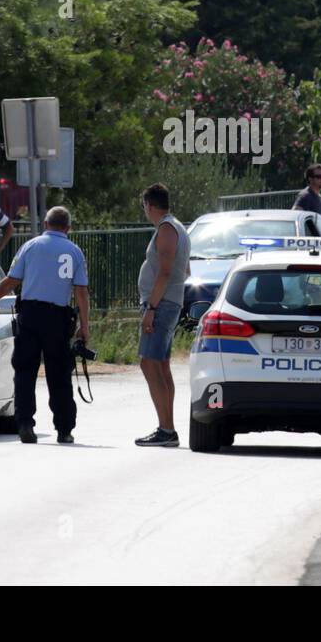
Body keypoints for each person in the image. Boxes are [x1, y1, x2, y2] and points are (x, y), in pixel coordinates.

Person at [0, 206, 90, 445]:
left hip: (30, 315)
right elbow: (81, 292)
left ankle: (25, 424)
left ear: (45, 224)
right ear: (68, 228)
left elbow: (10, 282)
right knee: (59, 375)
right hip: (58, 317)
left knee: (24, 372)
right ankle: (64, 429)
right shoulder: (74, 252)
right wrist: (85, 326)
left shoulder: (30, 247)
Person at [134, 183, 191, 447]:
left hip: (162, 304)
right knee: (160, 365)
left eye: (144, 205)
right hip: (168, 302)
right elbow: (186, 270)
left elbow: (166, 272)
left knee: (149, 362)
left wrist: (152, 309)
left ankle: (166, 429)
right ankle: (167, 427)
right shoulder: (176, 227)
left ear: (149, 205)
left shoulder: (167, 229)